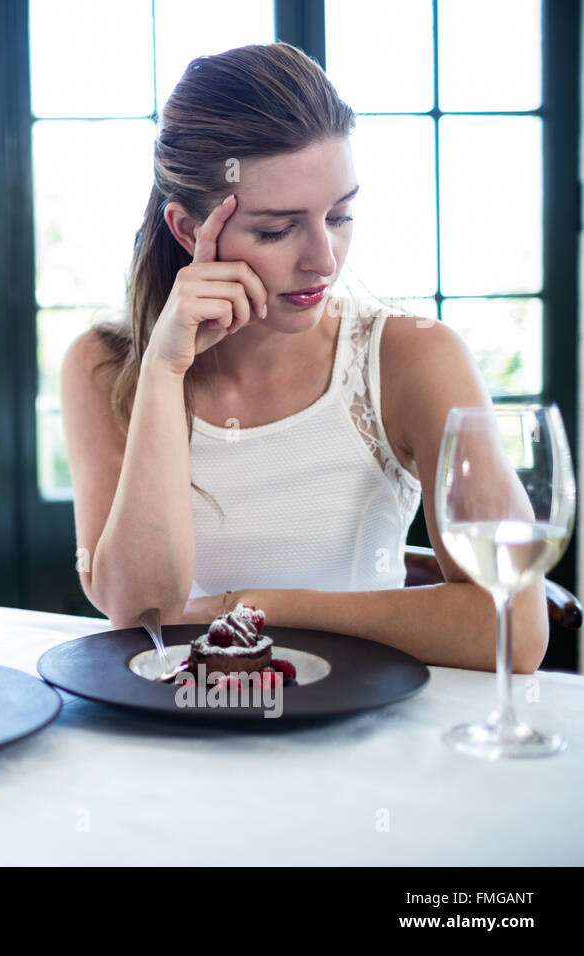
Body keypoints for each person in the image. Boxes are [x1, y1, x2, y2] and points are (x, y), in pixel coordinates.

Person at [61, 42, 548, 673]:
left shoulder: (415, 357)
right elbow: (142, 617)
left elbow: (514, 628)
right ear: (187, 231)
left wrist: (254, 607)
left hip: (366, 740)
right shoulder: (104, 366)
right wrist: (162, 373)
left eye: (340, 215)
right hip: (184, 728)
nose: (324, 259)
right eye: (276, 229)